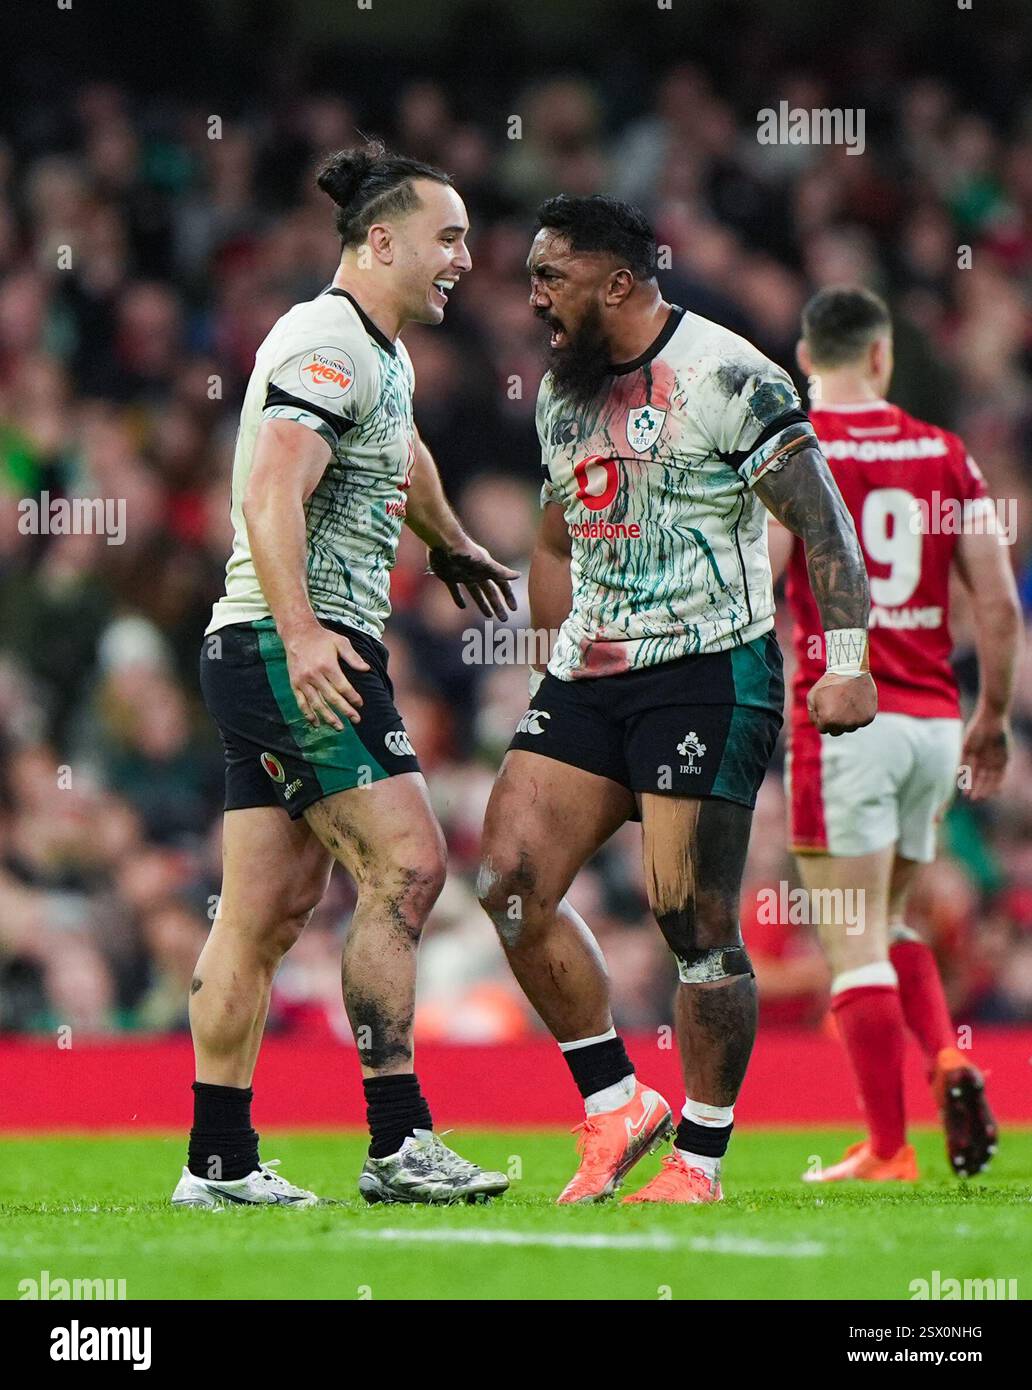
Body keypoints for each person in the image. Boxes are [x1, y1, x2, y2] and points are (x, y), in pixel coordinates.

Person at [476, 195, 875, 1205]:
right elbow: (561, 532)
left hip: (707, 669)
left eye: (549, 279)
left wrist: (848, 658)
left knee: (691, 920)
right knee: (510, 884)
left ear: (618, 281)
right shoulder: (561, 397)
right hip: (590, 673)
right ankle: (617, 1101)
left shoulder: (730, 377)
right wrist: (542, 665)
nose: (532, 300)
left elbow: (823, 522)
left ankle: (698, 1162)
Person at [172, 143, 517, 1208]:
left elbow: (399, 448)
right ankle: (397, 1141)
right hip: (294, 646)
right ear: (380, 242)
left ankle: (218, 1161)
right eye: (447, 238)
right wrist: (307, 632)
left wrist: (449, 539)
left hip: (265, 646)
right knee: (409, 868)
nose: (464, 256)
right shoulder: (327, 340)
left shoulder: (378, 350)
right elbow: (273, 492)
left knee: (265, 912)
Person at [768, 285, 1021, 1182]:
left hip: (844, 717)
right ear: (880, 357)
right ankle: (948, 1060)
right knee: (887, 918)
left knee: (851, 937)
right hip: (931, 725)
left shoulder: (796, 447)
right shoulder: (945, 452)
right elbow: (995, 597)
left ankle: (885, 1147)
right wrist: (991, 717)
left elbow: (763, 582)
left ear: (808, 358)